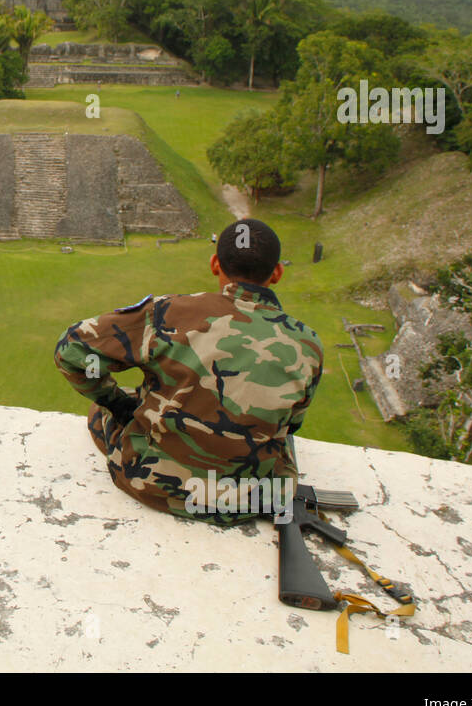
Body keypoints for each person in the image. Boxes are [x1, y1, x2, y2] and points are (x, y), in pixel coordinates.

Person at [53, 218, 323, 524]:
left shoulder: (169, 313)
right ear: (277, 273)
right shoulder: (308, 344)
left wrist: (118, 403)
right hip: (248, 499)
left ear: (214, 264)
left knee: (103, 411)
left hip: (151, 483)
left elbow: (72, 350)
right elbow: (291, 425)